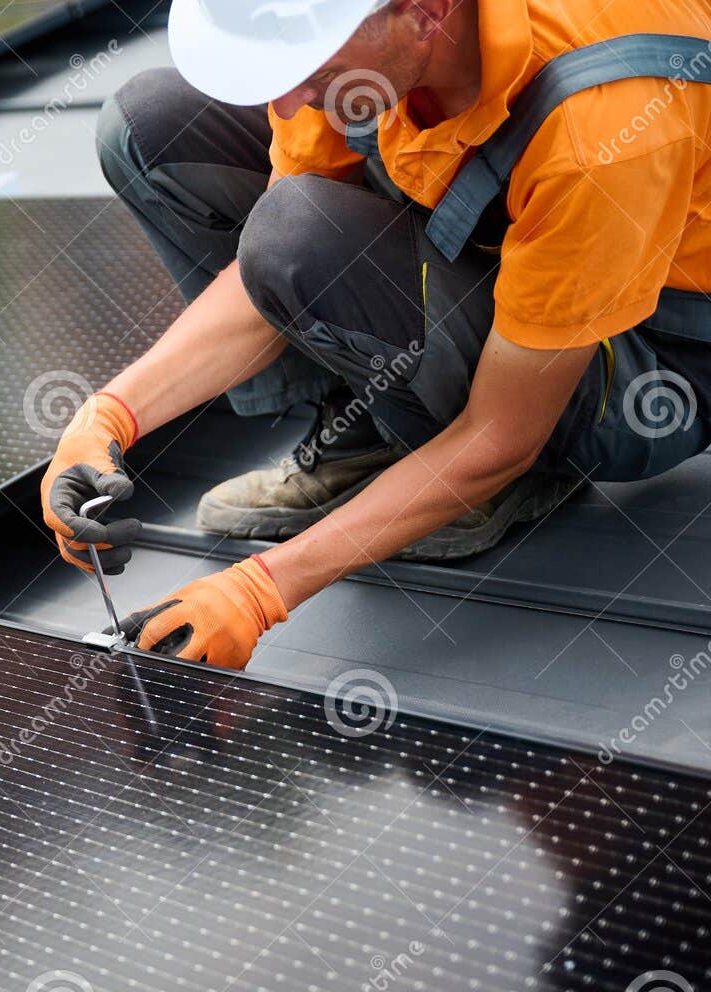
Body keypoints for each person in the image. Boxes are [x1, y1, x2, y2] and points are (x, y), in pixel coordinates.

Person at [42, 0, 711, 668]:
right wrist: (108, 417)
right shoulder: (368, 41)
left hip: (641, 362)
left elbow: (502, 433)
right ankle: (363, 433)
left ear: (427, 12)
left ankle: (495, 485)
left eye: (307, 70)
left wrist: (262, 589)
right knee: (153, 120)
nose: (284, 103)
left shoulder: (604, 122)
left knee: (298, 232)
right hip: (520, 239)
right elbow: (258, 276)